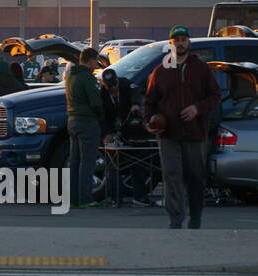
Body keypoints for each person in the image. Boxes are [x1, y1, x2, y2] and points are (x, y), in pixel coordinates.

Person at [143, 26, 221, 229]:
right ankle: (175, 220)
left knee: (196, 178)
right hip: (168, 134)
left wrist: (197, 108)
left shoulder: (201, 69)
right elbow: (149, 101)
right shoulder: (160, 71)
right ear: (170, 44)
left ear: (189, 42)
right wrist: (149, 121)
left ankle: (195, 218)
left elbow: (215, 96)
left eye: (183, 39)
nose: (180, 43)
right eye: (176, 39)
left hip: (195, 133)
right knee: (172, 177)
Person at [101, 67, 150, 207]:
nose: (113, 89)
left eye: (114, 85)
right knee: (112, 162)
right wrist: (106, 133)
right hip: (115, 129)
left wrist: (135, 105)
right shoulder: (103, 93)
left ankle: (140, 196)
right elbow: (103, 116)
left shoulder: (126, 84)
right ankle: (114, 197)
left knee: (138, 161)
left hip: (132, 128)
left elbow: (136, 91)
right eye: (109, 87)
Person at [66, 48, 104, 209]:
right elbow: (96, 102)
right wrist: (101, 116)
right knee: (88, 161)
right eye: (96, 61)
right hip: (87, 122)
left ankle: (73, 198)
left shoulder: (71, 77)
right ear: (91, 60)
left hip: (72, 121)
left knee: (74, 162)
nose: (96, 65)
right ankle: (86, 199)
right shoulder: (87, 78)